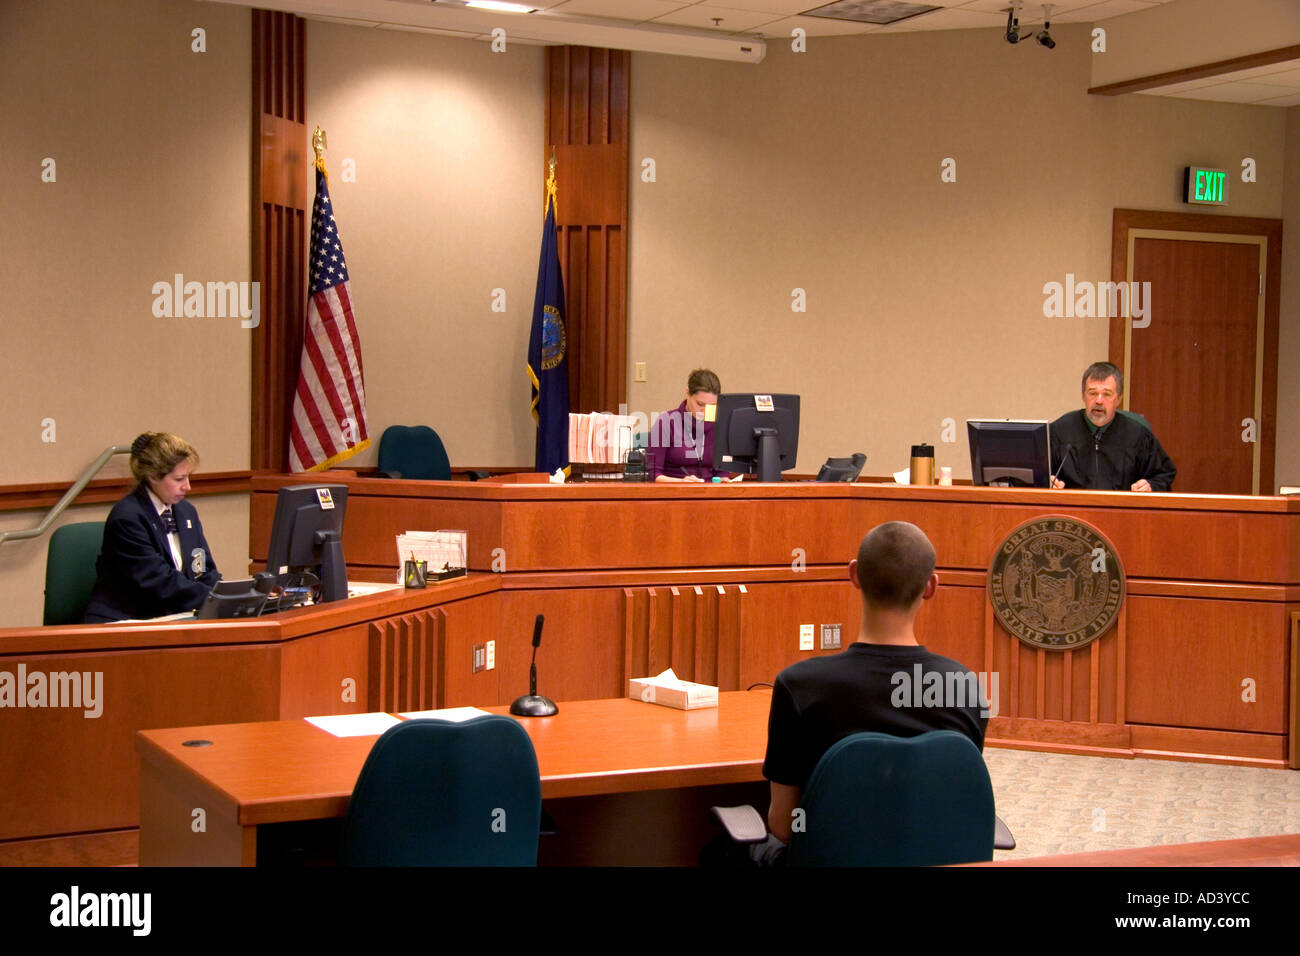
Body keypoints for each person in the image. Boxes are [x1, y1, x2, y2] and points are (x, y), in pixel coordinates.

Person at [754, 521, 987, 863]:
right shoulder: (963, 686)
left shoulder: (800, 686)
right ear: (931, 586)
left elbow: (786, 827)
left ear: (855, 575)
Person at [83, 432, 221, 622]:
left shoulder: (186, 512)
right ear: (153, 477)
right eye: (179, 479)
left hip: (172, 615)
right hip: (127, 618)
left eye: (188, 477)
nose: (187, 486)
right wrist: (215, 600)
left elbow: (202, 569)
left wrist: (233, 595)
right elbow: (159, 580)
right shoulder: (127, 517)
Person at [1049, 361, 1176, 492]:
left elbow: (1163, 476)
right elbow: (1034, 475)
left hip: (1122, 510)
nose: (1098, 400)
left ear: (1119, 399)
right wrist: (1047, 481)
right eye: (1092, 393)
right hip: (1070, 510)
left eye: (1107, 394)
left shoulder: (1137, 435)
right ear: (1083, 395)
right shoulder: (1059, 431)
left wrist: (1150, 485)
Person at [645, 368, 736, 482]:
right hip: (675, 493)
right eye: (700, 404)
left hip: (710, 494)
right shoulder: (666, 422)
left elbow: (722, 471)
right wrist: (681, 483)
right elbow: (653, 474)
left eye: (712, 405)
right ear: (687, 393)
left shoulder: (719, 425)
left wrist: (723, 479)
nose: (704, 411)